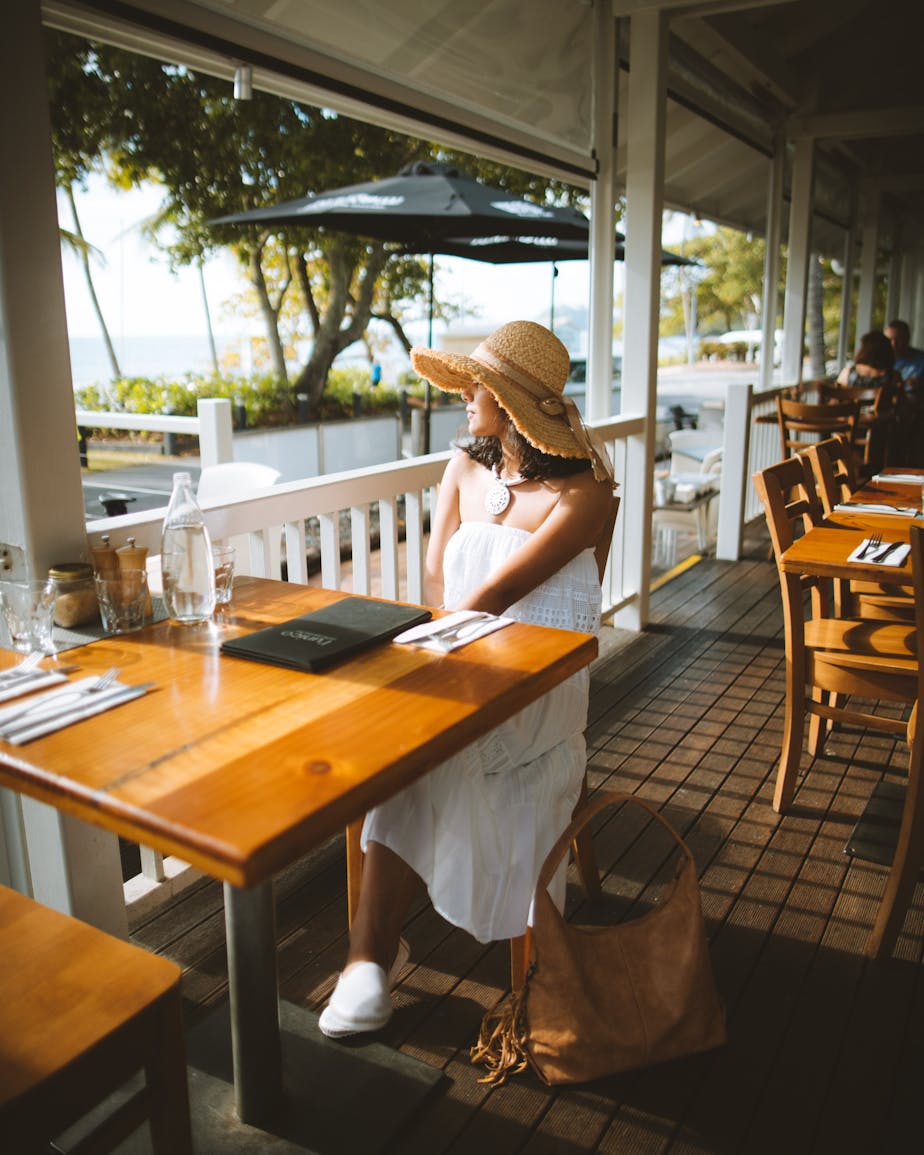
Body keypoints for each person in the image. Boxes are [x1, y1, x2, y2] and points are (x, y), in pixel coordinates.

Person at [319, 320, 616, 1039]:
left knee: (420, 752)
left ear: (509, 401)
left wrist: (435, 666)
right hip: (459, 667)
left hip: (539, 687)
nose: (463, 396)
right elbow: (436, 585)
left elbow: (490, 597)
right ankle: (369, 959)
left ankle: (369, 954)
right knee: (409, 742)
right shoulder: (461, 468)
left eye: (475, 385)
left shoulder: (584, 494)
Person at [885, 319, 924, 383]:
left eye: (898, 339)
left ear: (907, 338)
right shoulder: (877, 360)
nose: (893, 344)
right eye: (889, 340)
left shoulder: (921, 360)